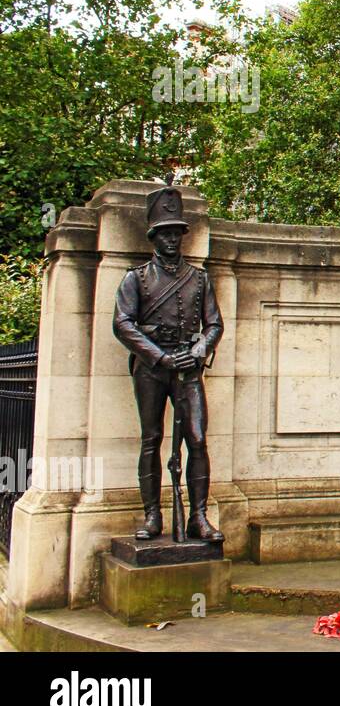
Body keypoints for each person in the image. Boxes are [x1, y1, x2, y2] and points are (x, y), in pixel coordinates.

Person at [112, 176, 224, 542]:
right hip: (152, 370)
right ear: (154, 238)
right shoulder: (136, 279)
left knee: (196, 439)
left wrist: (198, 350)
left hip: (189, 371)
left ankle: (199, 517)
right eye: (165, 234)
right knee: (152, 438)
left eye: (177, 233)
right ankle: (151, 517)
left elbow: (214, 324)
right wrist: (159, 357)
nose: (172, 239)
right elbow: (123, 324)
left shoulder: (200, 279)